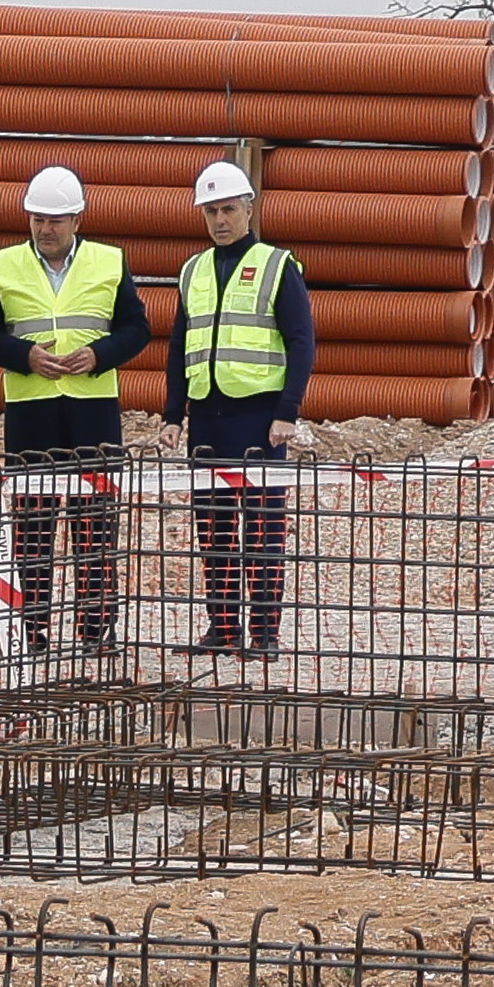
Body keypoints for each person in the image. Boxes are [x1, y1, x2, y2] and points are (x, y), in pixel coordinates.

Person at [0, 163, 150, 655]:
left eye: (55, 220)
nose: (45, 229)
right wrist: (24, 356)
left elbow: (137, 329)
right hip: (31, 413)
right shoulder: (5, 264)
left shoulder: (109, 262)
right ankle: (31, 630)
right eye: (37, 219)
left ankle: (96, 629)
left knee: (95, 525)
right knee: (32, 529)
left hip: (92, 411)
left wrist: (100, 355)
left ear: (77, 219)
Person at [167, 158, 316, 658]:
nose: (220, 220)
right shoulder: (193, 271)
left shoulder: (276, 266)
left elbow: (301, 341)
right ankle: (222, 626)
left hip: (259, 418)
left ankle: (265, 634)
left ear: (249, 209)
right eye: (211, 211)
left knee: (263, 529)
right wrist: (173, 414)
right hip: (207, 417)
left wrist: (287, 410)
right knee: (213, 530)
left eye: (228, 209)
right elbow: (178, 346)